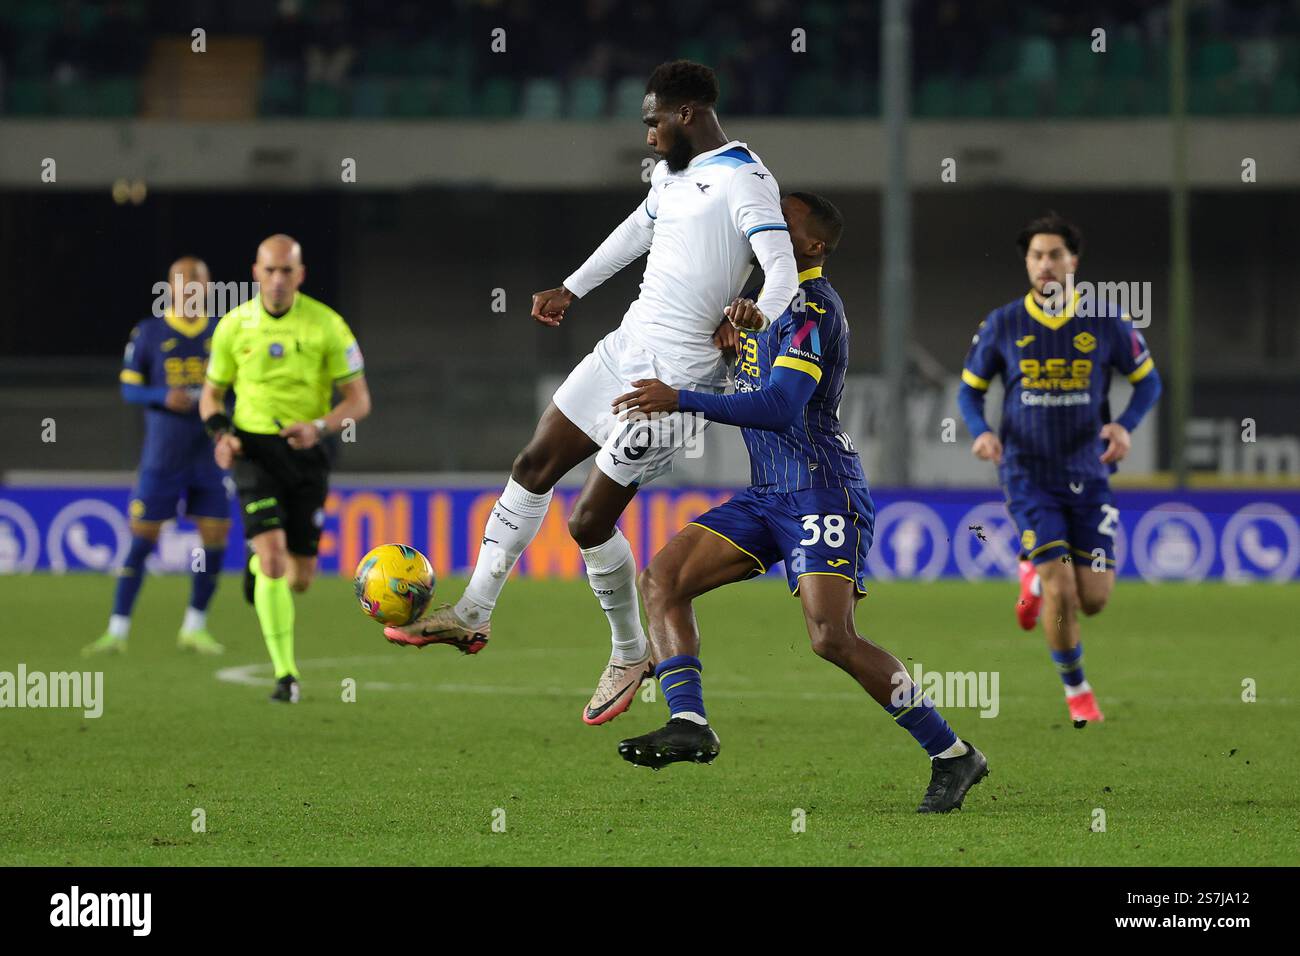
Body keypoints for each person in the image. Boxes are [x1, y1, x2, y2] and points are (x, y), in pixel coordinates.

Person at [385, 60, 799, 729]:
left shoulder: (745, 178)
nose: (647, 137)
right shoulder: (670, 176)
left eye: (652, 121)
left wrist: (757, 311)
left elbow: (779, 265)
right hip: (624, 348)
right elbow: (636, 233)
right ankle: (474, 612)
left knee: (587, 524)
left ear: (686, 113)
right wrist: (572, 287)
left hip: (676, 383)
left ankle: (631, 652)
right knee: (533, 466)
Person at [612, 193, 989, 813]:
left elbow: (782, 405)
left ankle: (953, 755)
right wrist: (731, 348)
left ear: (812, 245)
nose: (758, 225)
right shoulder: (763, 307)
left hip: (821, 491)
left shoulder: (812, 308)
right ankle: (690, 723)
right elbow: (755, 378)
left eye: (780, 223)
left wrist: (680, 397)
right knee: (662, 580)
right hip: (768, 494)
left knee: (831, 637)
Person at [956, 212, 1161, 726]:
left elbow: (1149, 383)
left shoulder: (1107, 322)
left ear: (1073, 261)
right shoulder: (1003, 323)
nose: (1044, 264)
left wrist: (1125, 426)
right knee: (1061, 589)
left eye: (1053, 255)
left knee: (1093, 599)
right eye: (1035, 256)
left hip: (1089, 473)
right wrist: (981, 430)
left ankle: (1030, 568)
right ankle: (1078, 692)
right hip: (1027, 472)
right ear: (1027, 263)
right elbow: (969, 389)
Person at [198, 235, 371, 702]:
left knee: (300, 578)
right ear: (256, 272)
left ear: (300, 275)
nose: (277, 280)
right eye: (270, 270)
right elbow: (211, 396)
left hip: (308, 452)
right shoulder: (234, 326)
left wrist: (320, 426)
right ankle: (286, 676)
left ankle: (259, 566)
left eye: (286, 271)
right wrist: (222, 436)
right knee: (275, 558)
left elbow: (359, 400)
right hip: (253, 449)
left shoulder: (327, 325)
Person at [85, 257, 231, 657]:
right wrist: (161, 396)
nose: (191, 293)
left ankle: (195, 626)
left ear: (207, 288)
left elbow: (237, 392)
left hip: (208, 458)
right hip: (162, 458)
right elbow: (130, 390)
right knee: (141, 542)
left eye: (198, 287)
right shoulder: (149, 332)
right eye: (184, 287)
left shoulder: (222, 333)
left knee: (213, 542)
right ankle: (117, 630)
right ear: (170, 289)